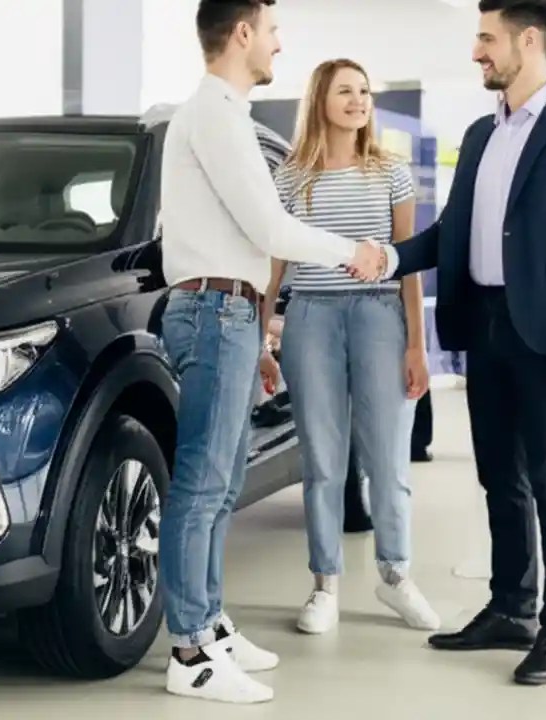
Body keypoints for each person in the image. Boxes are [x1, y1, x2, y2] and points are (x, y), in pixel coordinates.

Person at [379, 0, 546, 685]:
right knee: (499, 479)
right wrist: (389, 258)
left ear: (528, 39)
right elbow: (451, 232)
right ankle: (513, 606)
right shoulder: (481, 135)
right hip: (484, 325)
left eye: (486, 39)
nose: (477, 52)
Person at [158, 0, 392, 704]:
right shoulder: (212, 115)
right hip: (210, 311)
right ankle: (190, 653)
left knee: (223, 485)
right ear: (242, 33)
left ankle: (212, 626)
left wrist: (259, 328)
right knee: (200, 486)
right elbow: (272, 227)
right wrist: (357, 251)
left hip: (229, 311)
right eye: (272, 31)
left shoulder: (223, 118)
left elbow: (253, 237)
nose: (278, 46)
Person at [261, 58, 438, 636]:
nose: (359, 100)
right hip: (311, 317)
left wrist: (417, 345)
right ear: (320, 100)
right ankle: (325, 585)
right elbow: (275, 265)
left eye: (365, 90)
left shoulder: (390, 169)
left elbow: (409, 263)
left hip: (380, 313)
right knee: (322, 460)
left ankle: (396, 575)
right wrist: (264, 333)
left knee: (388, 457)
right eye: (346, 91)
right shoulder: (289, 176)